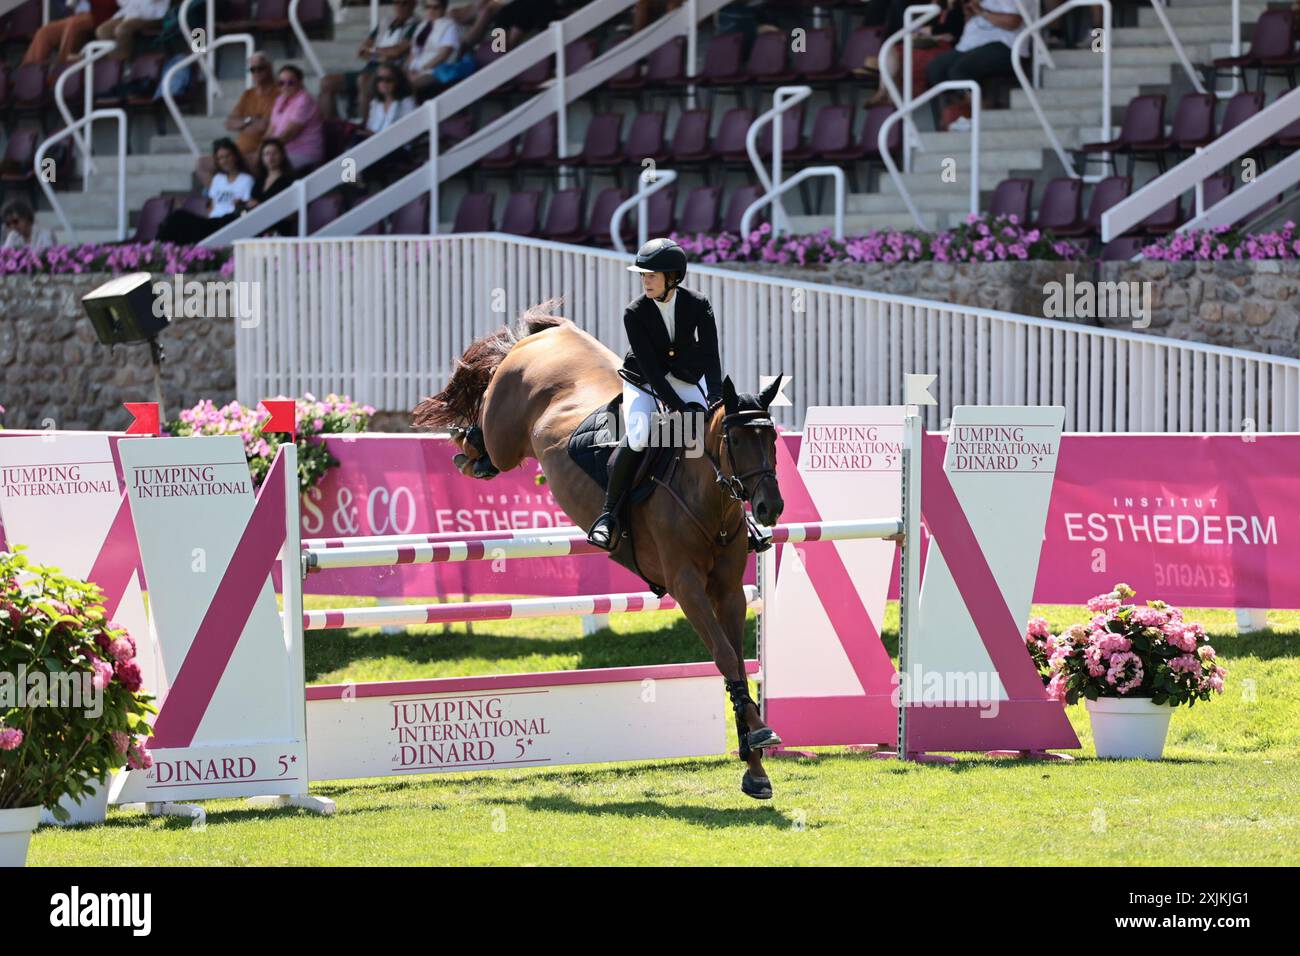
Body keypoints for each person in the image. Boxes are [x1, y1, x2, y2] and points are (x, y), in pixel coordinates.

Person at [586, 238, 723, 551]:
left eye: (651, 275)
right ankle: (609, 515)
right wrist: (678, 409)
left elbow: (712, 355)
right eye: (643, 275)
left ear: (672, 277)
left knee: (709, 434)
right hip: (644, 381)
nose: (645, 281)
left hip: (687, 379)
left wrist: (714, 396)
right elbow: (652, 372)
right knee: (640, 433)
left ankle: (737, 514)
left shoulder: (699, 304)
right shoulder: (634, 313)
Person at [924, 0, 1023, 128]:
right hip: (970, 45)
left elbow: (1013, 22)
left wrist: (983, 12)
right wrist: (969, 12)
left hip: (1005, 45)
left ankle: (983, 118)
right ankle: (963, 109)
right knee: (935, 69)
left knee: (959, 70)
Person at [319, 0, 419, 120]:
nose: (400, 7)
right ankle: (332, 127)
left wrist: (374, 51)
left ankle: (364, 127)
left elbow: (396, 51)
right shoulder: (385, 22)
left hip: (392, 72)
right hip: (371, 68)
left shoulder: (416, 25)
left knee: (364, 80)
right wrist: (381, 55)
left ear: (414, 4)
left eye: (404, 3)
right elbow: (362, 52)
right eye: (396, 3)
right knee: (327, 82)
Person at [864, 0, 965, 106]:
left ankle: (892, 96)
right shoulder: (936, 8)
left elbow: (952, 36)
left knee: (905, 58)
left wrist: (928, 34)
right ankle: (884, 92)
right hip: (923, 45)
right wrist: (922, 33)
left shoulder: (957, 11)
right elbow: (924, 28)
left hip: (939, 48)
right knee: (890, 48)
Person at [157, 138, 254, 243]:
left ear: (235, 156)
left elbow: (246, 207)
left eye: (227, 156)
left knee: (178, 218)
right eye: (221, 158)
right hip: (212, 222)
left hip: (229, 221)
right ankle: (161, 250)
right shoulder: (218, 179)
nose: (225, 160)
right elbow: (212, 206)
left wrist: (239, 204)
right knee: (177, 220)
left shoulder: (246, 180)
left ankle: (156, 250)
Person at [20, 0, 115, 66]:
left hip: (99, 16)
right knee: (44, 32)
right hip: (77, 16)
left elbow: (115, 4)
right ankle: (25, 77)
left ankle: (61, 70)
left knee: (72, 25)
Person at [268, 65, 325, 170]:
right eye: (281, 83)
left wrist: (268, 152)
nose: (285, 86)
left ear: (300, 82)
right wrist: (261, 150)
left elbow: (290, 133)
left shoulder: (304, 100)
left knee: (265, 165)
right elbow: (270, 130)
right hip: (282, 151)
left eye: (290, 83)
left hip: (304, 153)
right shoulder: (280, 99)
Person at [406, 0, 463, 100]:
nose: (431, 10)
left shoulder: (450, 26)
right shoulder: (422, 26)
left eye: (435, 7)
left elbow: (443, 55)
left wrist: (422, 70)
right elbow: (413, 52)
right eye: (428, 7)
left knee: (409, 87)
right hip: (416, 69)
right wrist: (409, 69)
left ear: (444, 8)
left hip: (436, 71)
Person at [240, 138, 297, 236]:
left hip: (277, 228)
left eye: (275, 153)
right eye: (266, 154)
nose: (271, 158)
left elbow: (292, 216)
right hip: (255, 225)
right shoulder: (259, 180)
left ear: (282, 155)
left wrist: (260, 206)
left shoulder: (290, 180)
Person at [93, 0, 172, 60]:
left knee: (122, 30)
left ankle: (126, 67)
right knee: (102, 31)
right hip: (130, 13)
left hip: (154, 15)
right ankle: (115, 67)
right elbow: (123, 3)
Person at [367, 67, 417, 133]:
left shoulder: (407, 102)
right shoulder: (375, 103)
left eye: (389, 79)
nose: (384, 82)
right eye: (379, 79)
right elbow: (370, 128)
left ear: (398, 81)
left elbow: (410, 128)